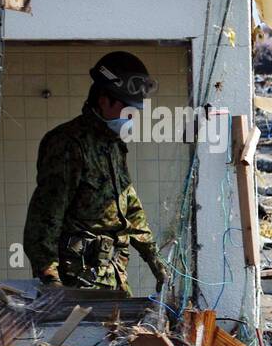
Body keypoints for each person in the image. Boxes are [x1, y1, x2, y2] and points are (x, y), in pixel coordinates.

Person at [23, 51, 166, 295]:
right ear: (104, 99)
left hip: (113, 274)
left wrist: (155, 261)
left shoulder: (113, 145)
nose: (132, 117)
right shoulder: (69, 143)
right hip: (77, 281)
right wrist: (50, 279)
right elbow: (45, 216)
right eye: (127, 109)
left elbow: (130, 207)